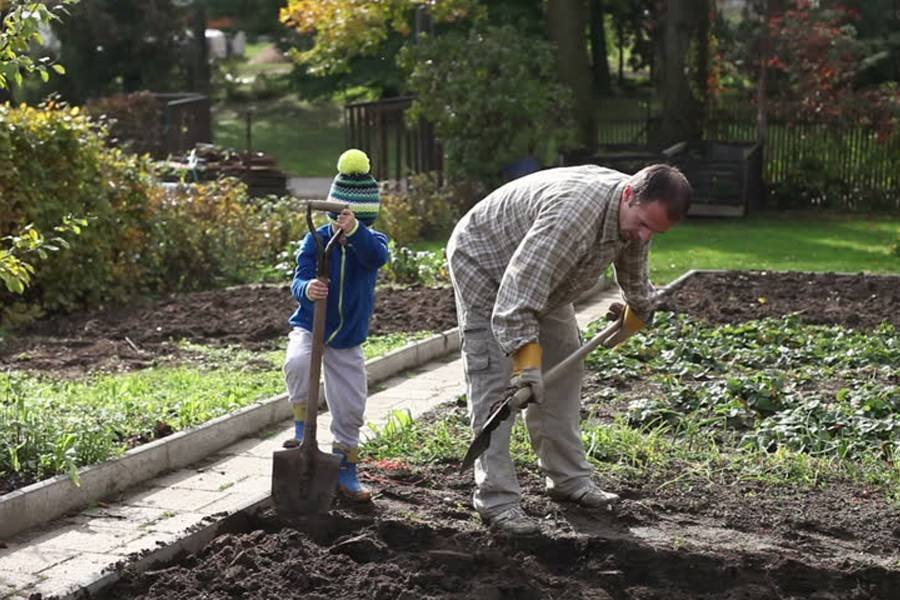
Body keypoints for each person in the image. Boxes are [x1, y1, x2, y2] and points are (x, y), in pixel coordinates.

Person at [447, 163, 692, 534]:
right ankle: (496, 500)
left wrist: (639, 312)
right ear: (629, 194)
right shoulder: (572, 215)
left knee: (565, 368)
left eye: (653, 232)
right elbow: (516, 298)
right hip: (486, 264)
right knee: (495, 384)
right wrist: (526, 362)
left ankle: (568, 480)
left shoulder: (635, 215)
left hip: (547, 277)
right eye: (642, 225)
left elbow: (633, 267)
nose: (644, 236)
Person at [283, 149, 389, 503]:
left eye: (347, 220)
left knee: (350, 403)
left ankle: (345, 466)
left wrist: (355, 231)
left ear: (361, 219)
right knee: (297, 363)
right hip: (312, 325)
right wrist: (308, 290)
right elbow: (297, 281)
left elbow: (376, 258)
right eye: (336, 218)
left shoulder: (372, 242)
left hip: (346, 337)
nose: (339, 228)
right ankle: (302, 431)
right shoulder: (314, 240)